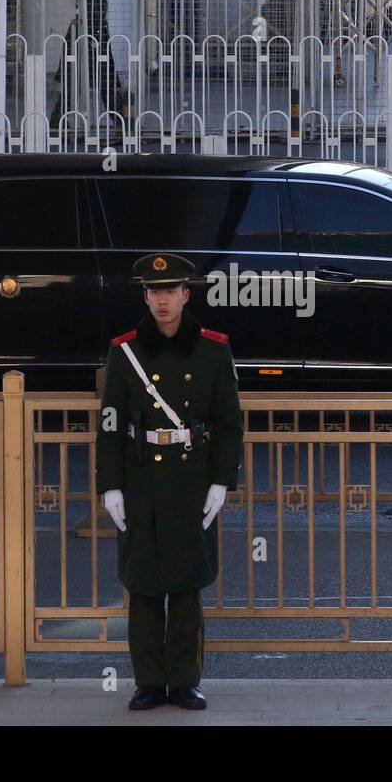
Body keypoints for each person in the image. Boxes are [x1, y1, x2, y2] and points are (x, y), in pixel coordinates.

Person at [97, 252, 243, 712]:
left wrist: (221, 482)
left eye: (170, 292)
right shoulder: (124, 350)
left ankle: (183, 680)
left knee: (185, 583)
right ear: (146, 296)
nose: (162, 301)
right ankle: (147, 682)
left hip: (190, 478)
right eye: (154, 292)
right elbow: (110, 423)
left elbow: (228, 423)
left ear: (185, 295)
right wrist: (111, 485)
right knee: (142, 585)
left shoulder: (213, 348)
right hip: (141, 476)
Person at [49, 0, 128, 125]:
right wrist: (94, 39)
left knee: (104, 80)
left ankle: (123, 122)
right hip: (88, 36)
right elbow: (90, 10)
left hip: (95, 35)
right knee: (76, 82)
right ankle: (56, 125)